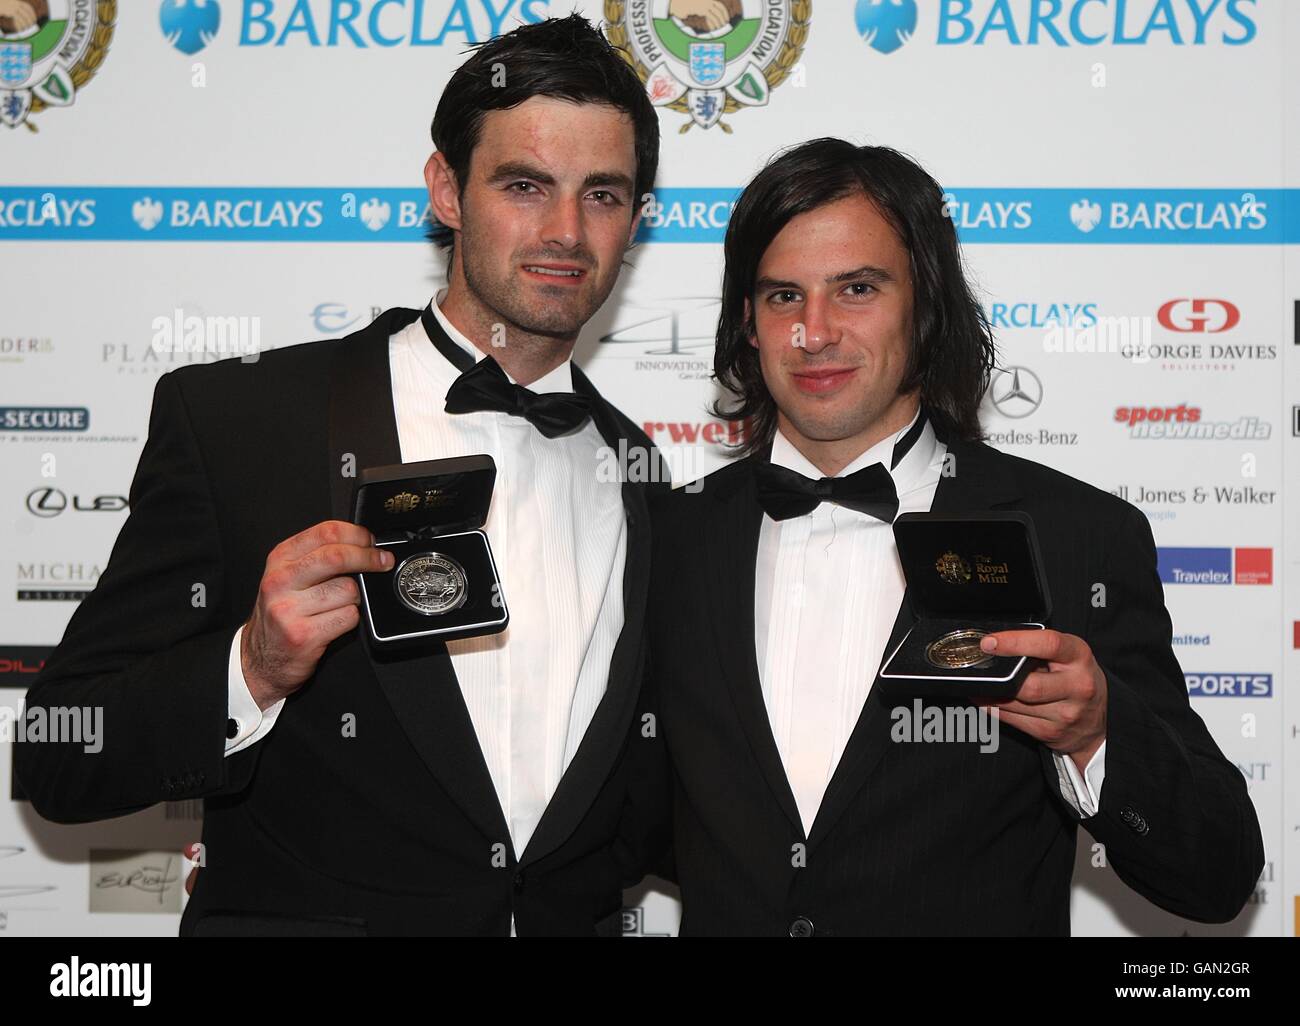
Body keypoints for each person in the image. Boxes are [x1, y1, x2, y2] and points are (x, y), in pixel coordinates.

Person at [17, 13, 669, 937]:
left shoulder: (639, 473)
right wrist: (251, 669)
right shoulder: (243, 421)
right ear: (446, 188)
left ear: (637, 215)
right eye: (525, 185)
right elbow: (58, 756)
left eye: (602, 195)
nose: (565, 231)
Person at [644, 138, 1264, 935]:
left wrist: (1097, 735)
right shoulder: (669, 537)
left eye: (857, 288)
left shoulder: (1077, 537)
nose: (815, 331)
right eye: (782, 297)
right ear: (748, 325)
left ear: (926, 304)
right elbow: (626, 822)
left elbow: (1216, 874)